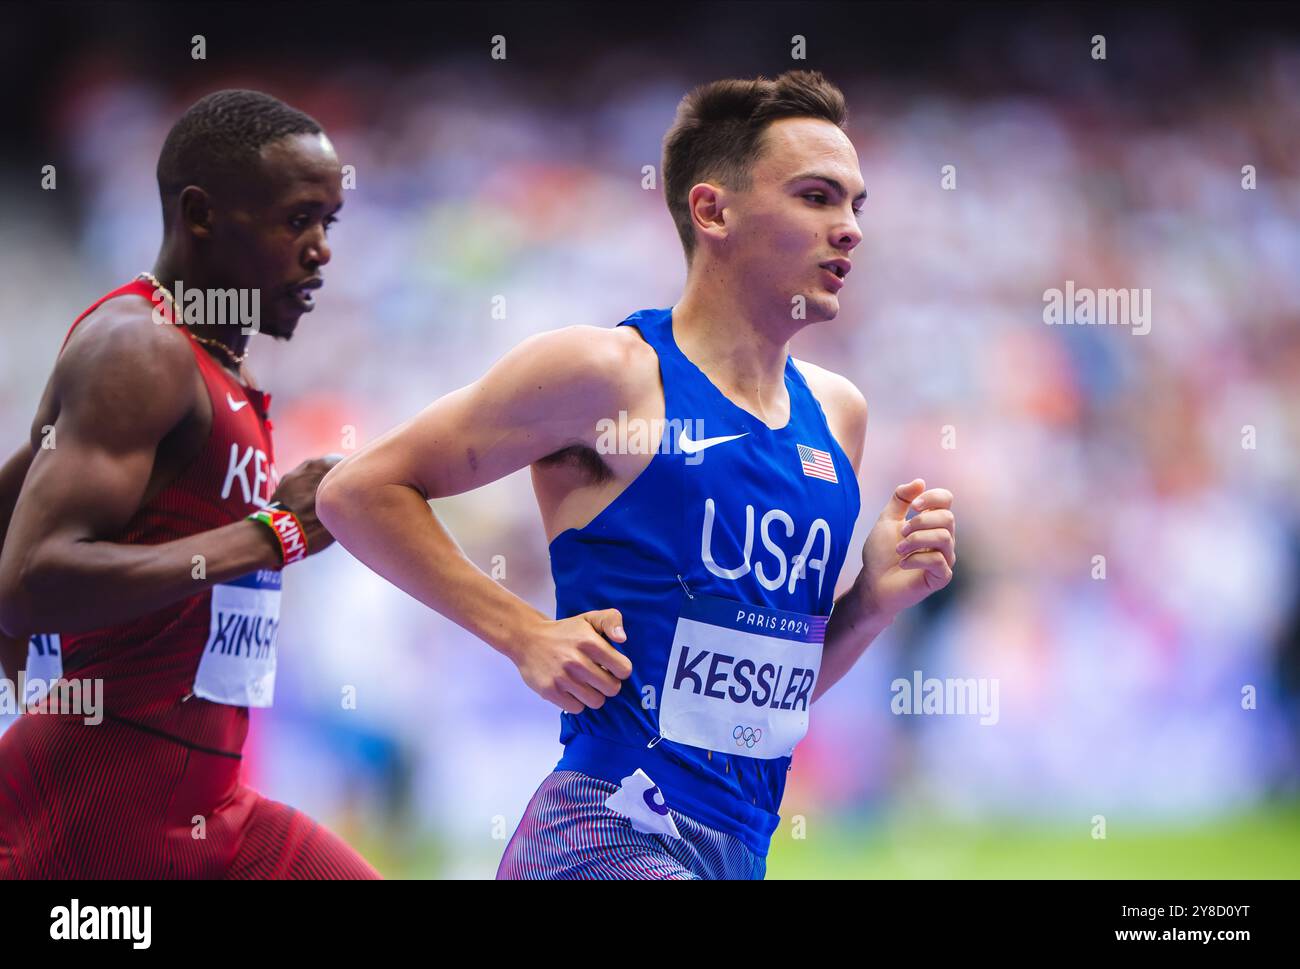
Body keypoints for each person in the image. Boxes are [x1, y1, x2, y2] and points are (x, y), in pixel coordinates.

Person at [317, 70, 956, 880]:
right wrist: (522, 632)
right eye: (817, 197)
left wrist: (869, 604)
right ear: (712, 210)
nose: (851, 228)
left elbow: (762, 710)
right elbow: (357, 491)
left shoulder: (837, 416)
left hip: (735, 851)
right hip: (604, 835)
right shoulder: (606, 375)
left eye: (856, 205)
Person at [0, 89, 378, 879]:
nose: (321, 250)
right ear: (201, 214)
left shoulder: (206, 360)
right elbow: (31, 578)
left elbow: (14, 507)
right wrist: (271, 534)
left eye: (328, 222)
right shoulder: (140, 350)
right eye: (296, 219)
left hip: (210, 800)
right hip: (99, 810)